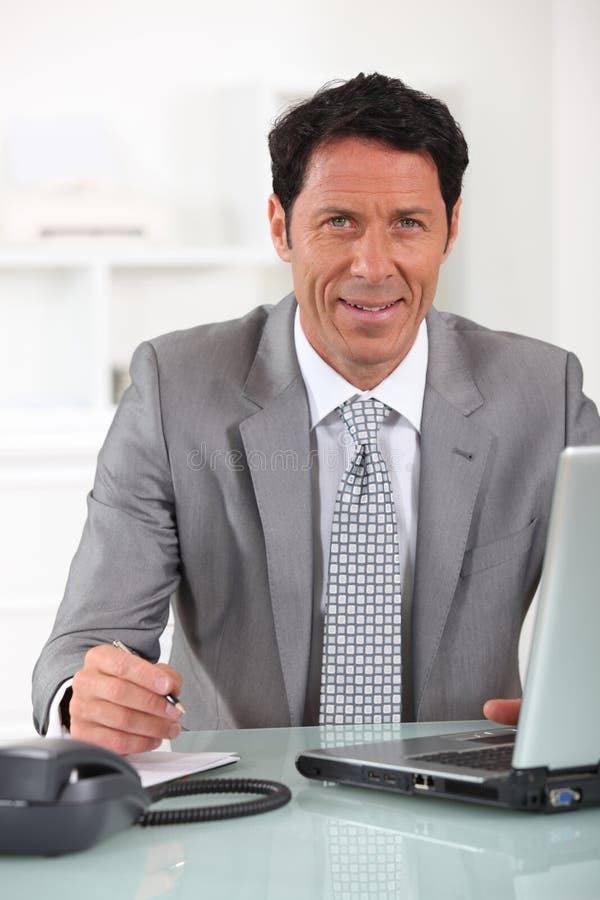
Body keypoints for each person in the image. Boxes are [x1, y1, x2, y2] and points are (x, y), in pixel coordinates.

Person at [32, 73, 600, 755]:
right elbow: (86, 643)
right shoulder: (173, 390)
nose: (373, 265)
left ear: (449, 232)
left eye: (408, 225)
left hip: (469, 811)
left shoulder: (545, 395)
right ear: (281, 227)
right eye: (340, 223)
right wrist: (86, 700)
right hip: (247, 809)